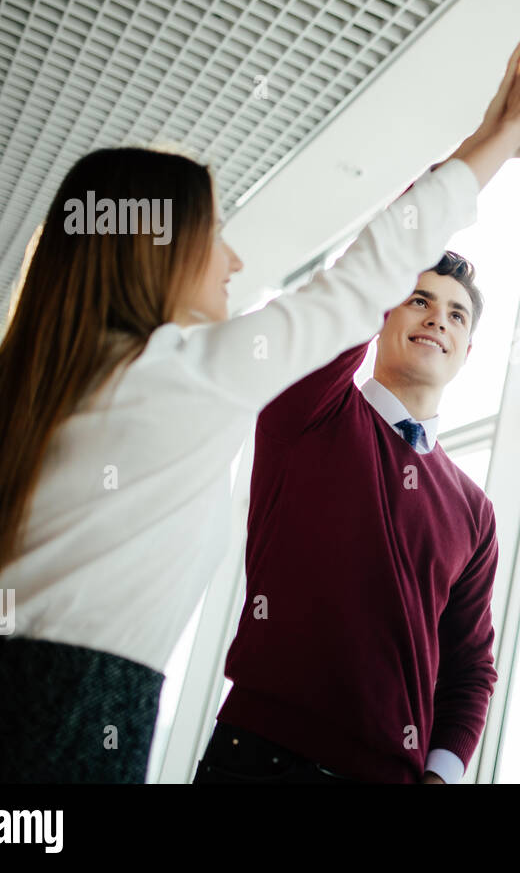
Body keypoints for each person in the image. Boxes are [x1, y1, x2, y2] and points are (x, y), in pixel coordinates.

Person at [0, 26, 520, 782]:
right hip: (66, 732)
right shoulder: (179, 377)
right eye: (214, 233)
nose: (235, 258)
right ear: (156, 250)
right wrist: (499, 131)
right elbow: (357, 288)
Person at [193, 249, 498, 785]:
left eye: (456, 314)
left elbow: (470, 668)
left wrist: (439, 776)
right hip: (260, 759)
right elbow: (365, 275)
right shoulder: (310, 410)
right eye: (418, 300)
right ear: (380, 314)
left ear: (466, 350)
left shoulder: (475, 511)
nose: (436, 320)